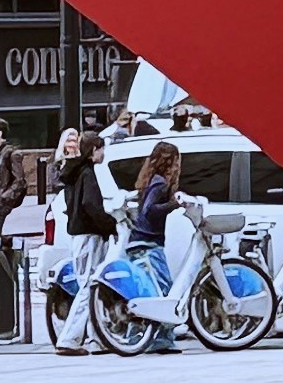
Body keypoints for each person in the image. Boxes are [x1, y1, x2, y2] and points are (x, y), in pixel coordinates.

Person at [54, 127, 119, 353]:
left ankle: (96, 338)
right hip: (90, 234)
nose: (103, 155)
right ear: (93, 151)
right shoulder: (88, 174)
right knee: (89, 287)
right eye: (101, 150)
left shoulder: (74, 172)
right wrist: (109, 224)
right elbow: (91, 205)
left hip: (78, 234)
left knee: (89, 286)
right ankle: (69, 339)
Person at [125, 137, 185, 351]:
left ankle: (141, 337)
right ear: (169, 162)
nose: (178, 166)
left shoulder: (151, 180)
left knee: (148, 292)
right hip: (147, 245)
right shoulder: (160, 183)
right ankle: (159, 339)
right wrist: (173, 204)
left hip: (140, 243)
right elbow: (150, 210)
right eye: (176, 161)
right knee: (162, 291)